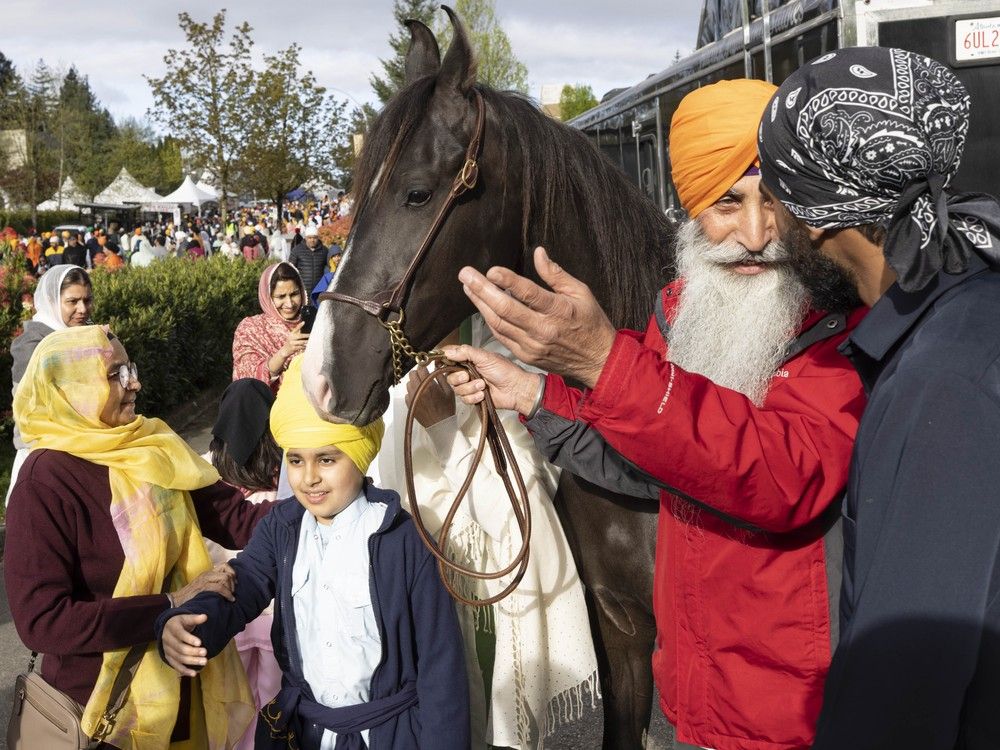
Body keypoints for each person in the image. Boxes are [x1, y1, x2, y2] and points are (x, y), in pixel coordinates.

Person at [446, 79, 867, 750]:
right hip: (697, 703)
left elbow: (783, 477)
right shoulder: (680, 313)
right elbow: (650, 460)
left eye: (777, 201)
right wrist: (530, 394)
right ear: (693, 206)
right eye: (727, 202)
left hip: (797, 717)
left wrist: (605, 362)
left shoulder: (838, 328)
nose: (756, 235)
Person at [757, 46, 1000, 749]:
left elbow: (899, 696)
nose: (766, 226)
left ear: (815, 213)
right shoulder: (970, 303)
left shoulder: (944, 380)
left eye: (773, 197)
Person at [157, 357, 470, 749]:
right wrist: (186, 622)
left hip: (388, 736)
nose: (309, 478)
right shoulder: (283, 527)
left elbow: (442, 671)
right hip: (306, 735)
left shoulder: (406, 540)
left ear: (358, 455)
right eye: (295, 460)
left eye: (326, 459)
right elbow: (243, 584)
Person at [4, 325, 272, 749]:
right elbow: (43, 621)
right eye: (114, 374)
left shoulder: (153, 446)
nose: (135, 383)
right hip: (99, 716)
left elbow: (238, 520)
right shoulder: (45, 481)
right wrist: (167, 606)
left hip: (181, 698)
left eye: (130, 368)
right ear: (72, 387)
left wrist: (322, 491)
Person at [377, 316, 598, 749]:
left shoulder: (505, 379)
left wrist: (443, 429)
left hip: (497, 610)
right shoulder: (398, 398)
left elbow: (515, 522)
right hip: (430, 608)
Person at [205, 379, 284, 750]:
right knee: (273, 707)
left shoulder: (208, 474)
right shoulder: (283, 472)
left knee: (231, 711)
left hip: (227, 615)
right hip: (274, 618)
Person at [6, 264, 94, 508]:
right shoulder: (32, 346)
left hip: (88, 451)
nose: (82, 309)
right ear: (51, 301)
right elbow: (33, 413)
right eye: (72, 301)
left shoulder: (89, 335)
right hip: (46, 460)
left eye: (87, 300)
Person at [232, 262, 309, 391]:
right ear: (267, 297)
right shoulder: (251, 329)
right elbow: (246, 379)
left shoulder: (314, 324)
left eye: (294, 294)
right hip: (267, 407)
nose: (289, 304)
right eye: (281, 297)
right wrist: (284, 352)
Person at [289, 225, 328, 297]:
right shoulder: (297, 250)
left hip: (319, 290)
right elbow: (290, 269)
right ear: (306, 238)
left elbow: (329, 267)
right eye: (309, 238)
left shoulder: (324, 250)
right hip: (303, 289)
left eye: (314, 238)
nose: (312, 240)